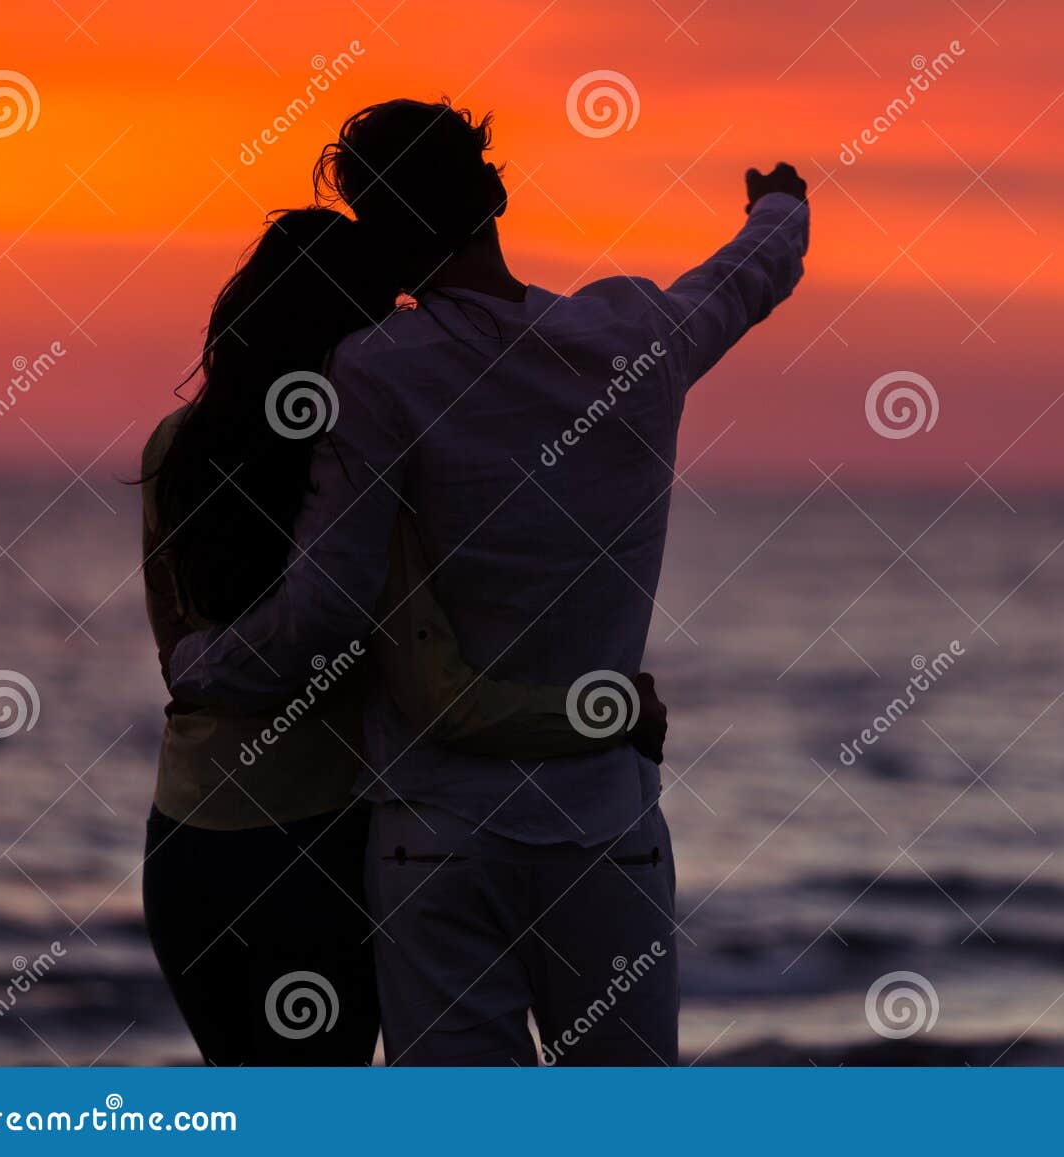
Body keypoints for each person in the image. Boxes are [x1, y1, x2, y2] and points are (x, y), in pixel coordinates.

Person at [167, 99, 810, 1065]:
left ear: (384, 240)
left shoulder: (377, 372)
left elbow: (330, 606)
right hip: (604, 824)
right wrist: (781, 209)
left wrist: (203, 666)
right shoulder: (634, 335)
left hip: (437, 833)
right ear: (495, 199)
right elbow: (744, 280)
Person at [141, 207, 666, 1065]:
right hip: (316, 846)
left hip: (186, 841)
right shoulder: (355, 472)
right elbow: (438, 693)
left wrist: (206, 666)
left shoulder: (175, 448)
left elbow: (174, 649)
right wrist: (608, 712)